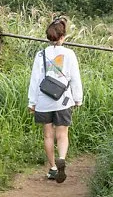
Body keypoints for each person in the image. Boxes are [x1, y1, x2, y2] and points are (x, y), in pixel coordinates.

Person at [27, 17, 83, 183]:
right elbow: (75, 78)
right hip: (63, 100)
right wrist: (78, 98)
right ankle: (62, 158)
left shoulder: (40, 55)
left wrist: (32, 102)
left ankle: (52, 168)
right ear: (62, 36)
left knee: (48, 135)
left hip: (44, 100)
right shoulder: (69, 54)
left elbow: (35, 80)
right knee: (62, 134)